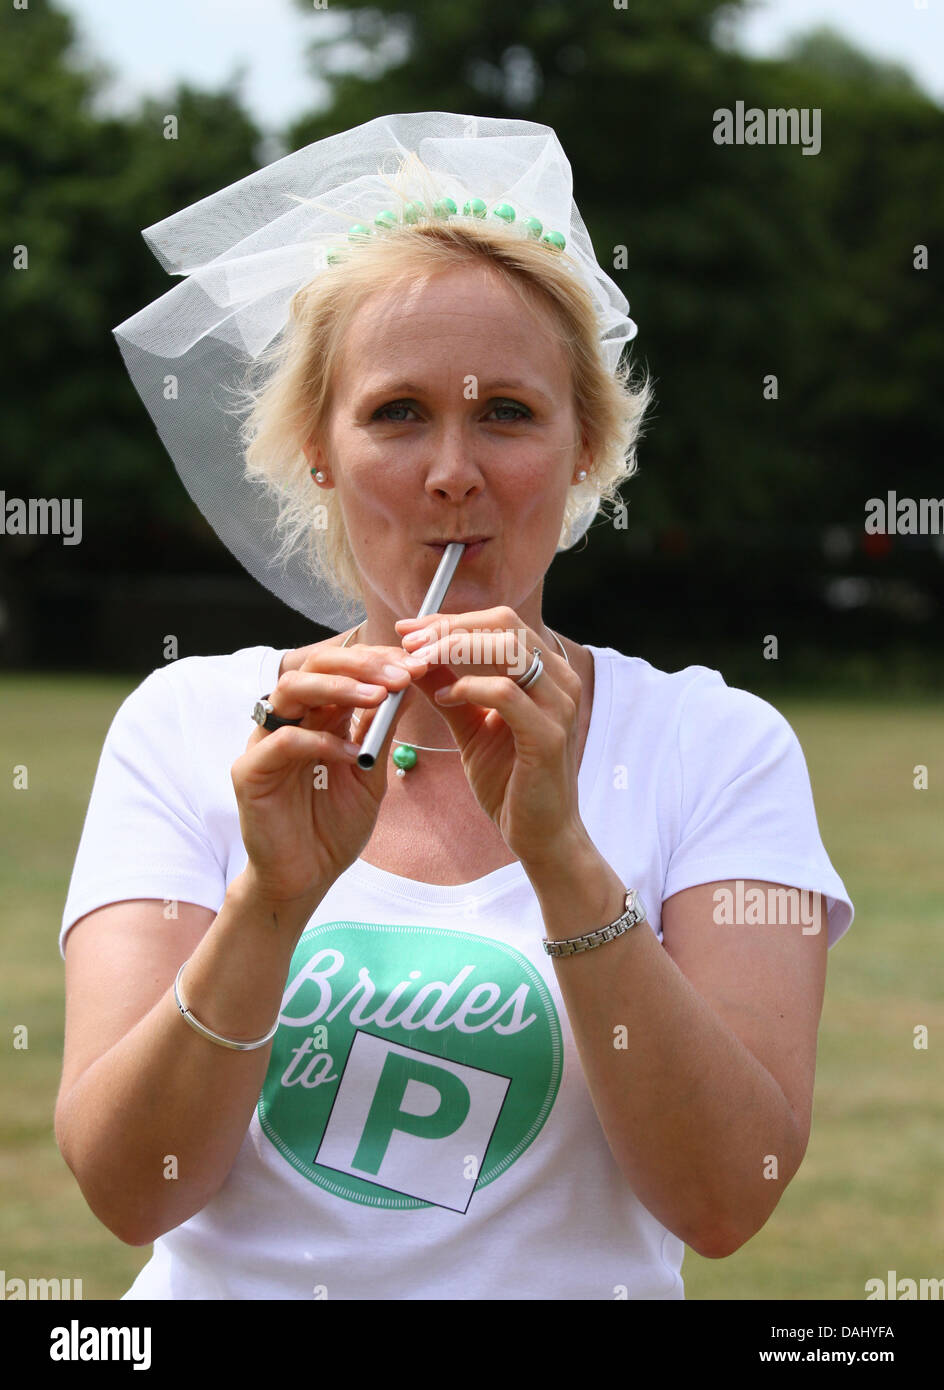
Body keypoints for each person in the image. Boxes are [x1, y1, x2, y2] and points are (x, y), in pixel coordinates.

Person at [55, 113, 853, 1300]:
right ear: (318, 449)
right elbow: (131, 1191)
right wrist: (268, 903)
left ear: (586, 446)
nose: (450, 471)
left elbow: (726, 1197)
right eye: (394, 413)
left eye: (507, 414)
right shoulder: (191, 723)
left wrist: (562, 856)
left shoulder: (717, 744)